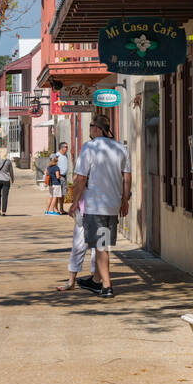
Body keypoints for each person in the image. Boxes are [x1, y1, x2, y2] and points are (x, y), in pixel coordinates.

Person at [68, 115, 130, 298]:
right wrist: (125, 200)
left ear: (97, 128)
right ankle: (95, 280)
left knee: (101, 247)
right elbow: (126, 177)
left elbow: (81, 179)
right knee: (101, 245)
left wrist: (74, 203)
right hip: (112, 205)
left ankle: (106, 285)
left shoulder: (89, 147)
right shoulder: (120, 148)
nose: (89, 129)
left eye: (91, 125)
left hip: (96, 205)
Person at [56, 188, 96, 291]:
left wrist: (75, 203)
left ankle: (75, 281)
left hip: (90, 210)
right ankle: (95, 280)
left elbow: (79, 180)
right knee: (96, 248)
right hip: (99, 209)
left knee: (81, 247)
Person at [0, 146, 15, 215]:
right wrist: (12, 178)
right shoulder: (8, 161)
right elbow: (11, 171)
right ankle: (3, 211)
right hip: (6, 180)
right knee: (5, 196)